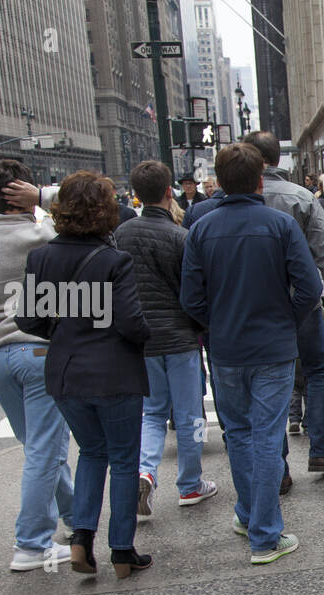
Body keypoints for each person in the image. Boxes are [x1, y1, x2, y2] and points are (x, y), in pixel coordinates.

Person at [180, 143, 322, 565]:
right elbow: (310, 288)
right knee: (265, 436)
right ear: (260, 179)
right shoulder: (280, 225)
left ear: (219, 182)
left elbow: (190, 298)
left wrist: (217, 321)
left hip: (225, 348)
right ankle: (263, 533)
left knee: (238, 434)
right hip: (273, 345)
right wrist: (286, 318)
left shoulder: (202, 229)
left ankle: (249, 515)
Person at [16, 170, 153, 579]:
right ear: (105, 212)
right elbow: (130, 324)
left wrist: (61, 329)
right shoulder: (113, 261)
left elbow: (27, 317)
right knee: (125, 460)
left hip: (66, 373)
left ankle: (81, 539)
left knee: (92, 454)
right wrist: (144, 334)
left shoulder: (40, 258)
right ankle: (123, 549)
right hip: (114, 373)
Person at [0, 158, 74, 572]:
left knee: (41, 447)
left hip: (0, 356)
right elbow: (87, 201)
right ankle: (32, 543)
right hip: (43, 350)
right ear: (23, 189)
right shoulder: (47, 234)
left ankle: (76, 519)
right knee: (45, 449)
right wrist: (44, 198)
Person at [242, 130, 324, 489]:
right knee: (317, 371)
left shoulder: (236, 201)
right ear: (279, 159)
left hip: (254, 306)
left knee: (269, 380)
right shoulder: (301, 197)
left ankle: (280, 466)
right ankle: (319, 448)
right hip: (302, 301)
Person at [114, 160, 217, 518]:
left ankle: (145, 472)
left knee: (152, 413)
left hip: (141, 340)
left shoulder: (121, 235)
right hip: (180, 337)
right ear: (167, 191)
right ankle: (190, 484)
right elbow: (193, 292)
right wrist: (201, 326)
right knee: (191, 415)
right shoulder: (180, 237)